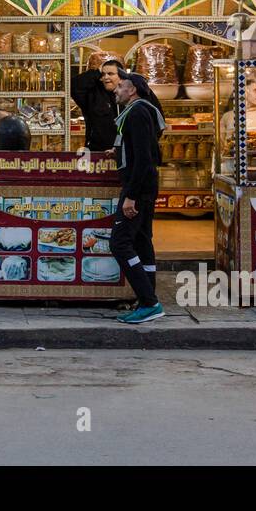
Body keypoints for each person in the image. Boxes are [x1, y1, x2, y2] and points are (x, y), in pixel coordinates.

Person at [110, 69, 166, 324]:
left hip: (138, 188)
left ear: (132, 90)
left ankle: (149, 302)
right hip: (143, 186)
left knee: (119, 243)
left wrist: (131, 195)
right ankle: (148, 298)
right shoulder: (136, 112)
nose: (116, 90)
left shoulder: (137, 112)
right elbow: (139, 150)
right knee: (142, 242)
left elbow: (145, 158)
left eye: (120, 85)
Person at [70, 53, 121, 151]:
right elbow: (73, 86)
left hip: (127, 155)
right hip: (98, 153)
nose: (106, 77)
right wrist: (97, 72)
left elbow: (155, 121)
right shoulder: (93, 95)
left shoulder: (132, 93)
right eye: (103, 74)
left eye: (110, 73)